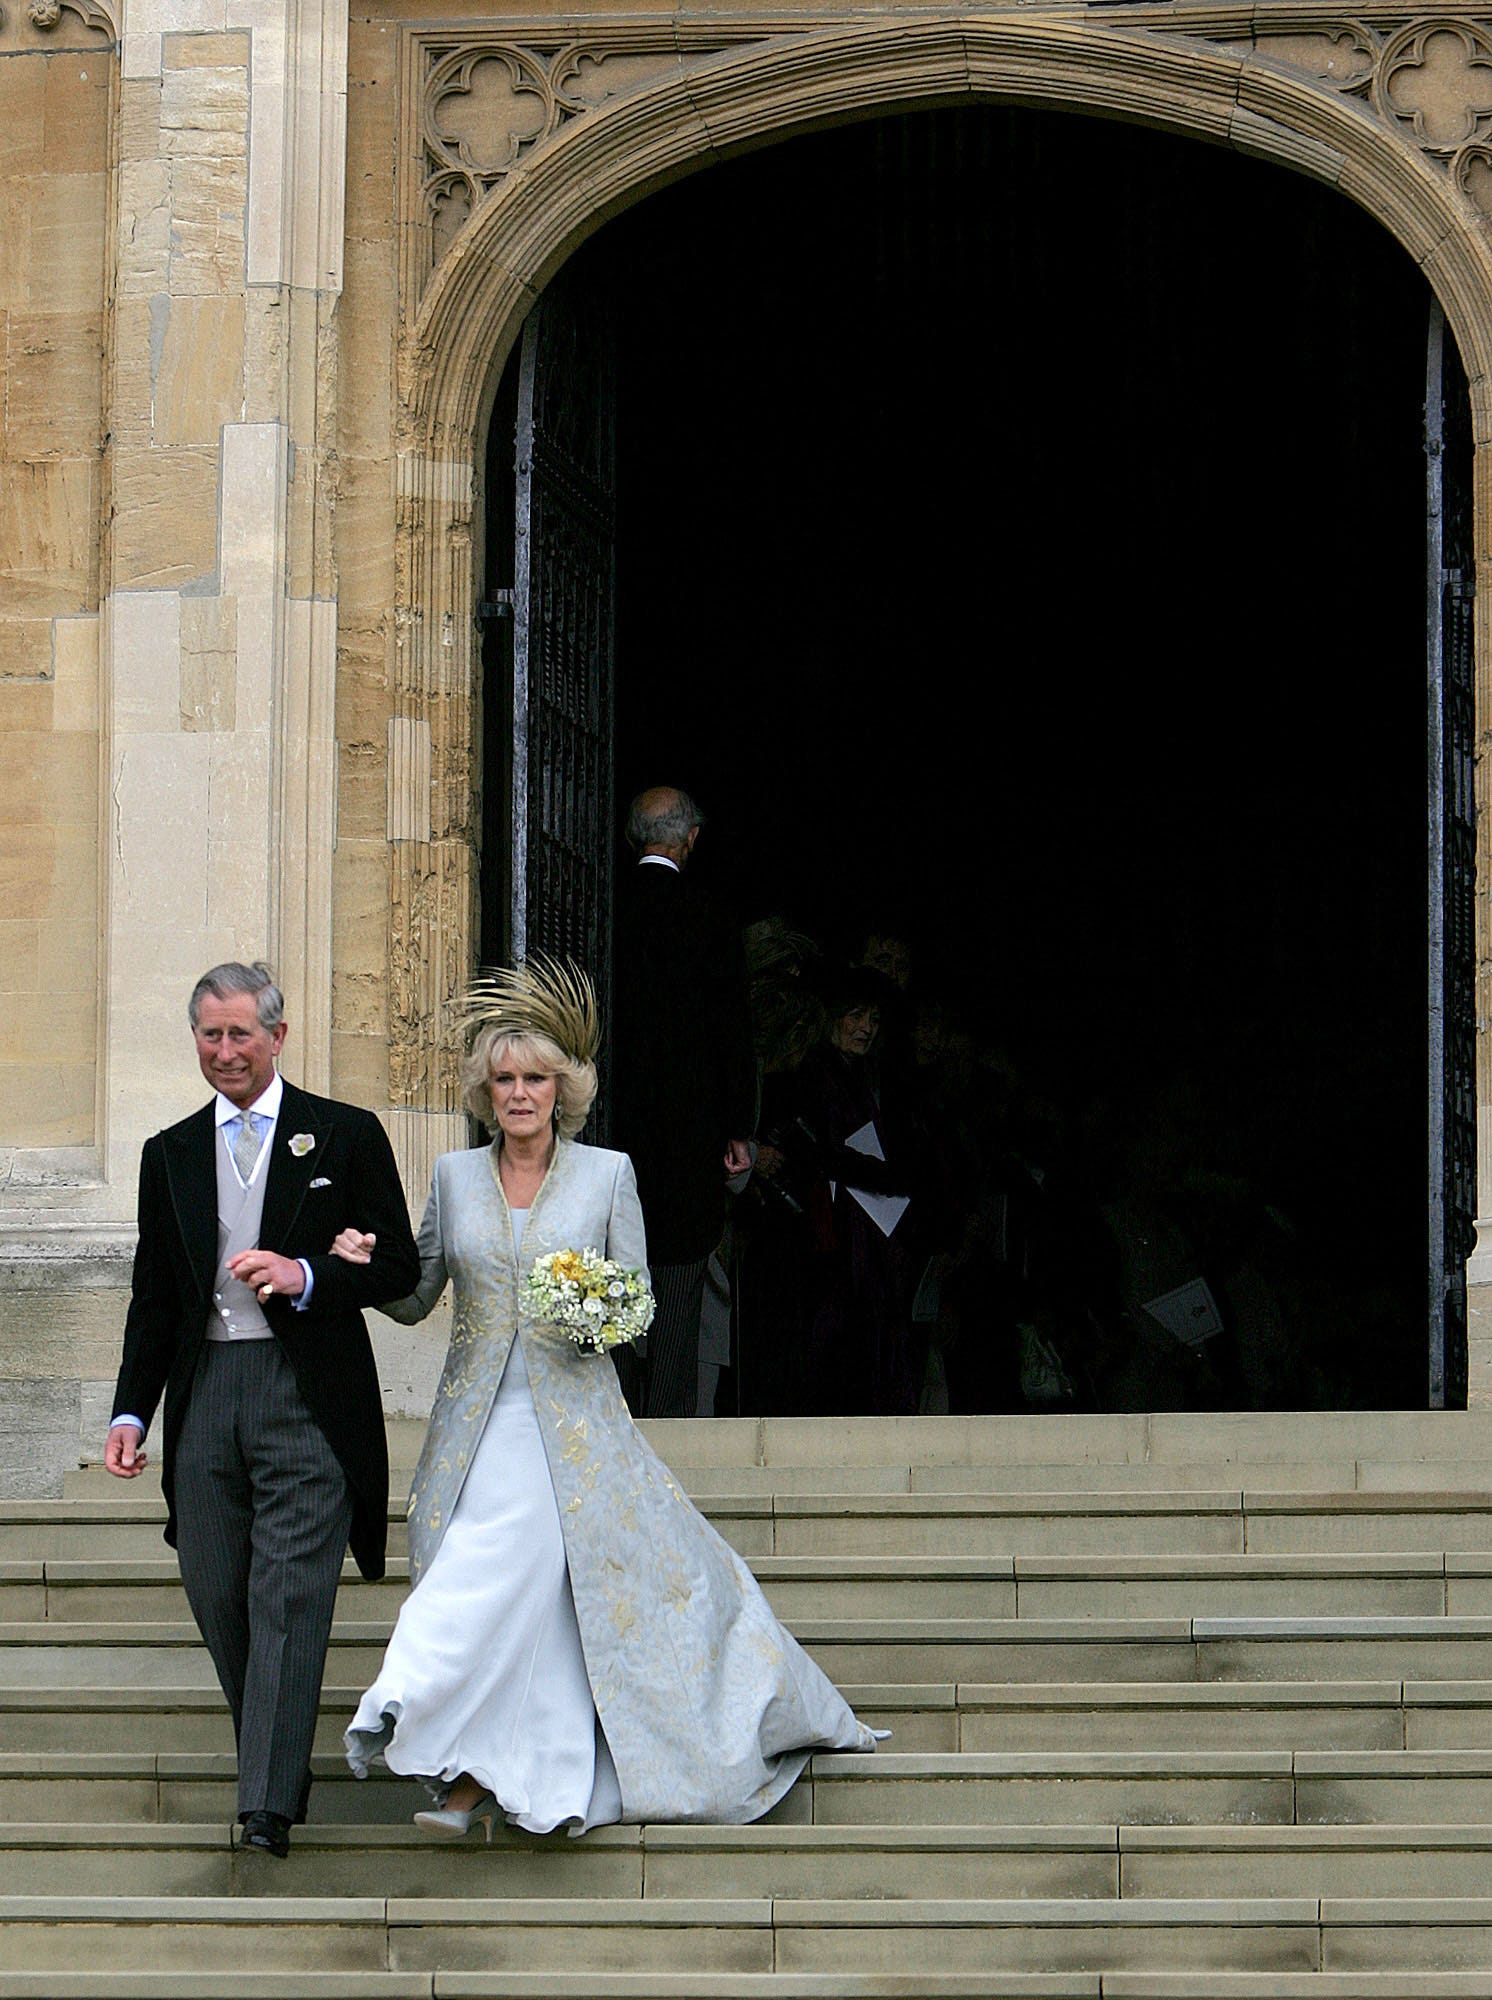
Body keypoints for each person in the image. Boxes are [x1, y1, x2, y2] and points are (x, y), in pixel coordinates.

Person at [341, 958, 877, 1836]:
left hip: (575, 1435)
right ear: (485, 1090)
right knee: (508, 1593)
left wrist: (594, 1315)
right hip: (473, 1431)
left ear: (565, 1089)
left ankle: (451, 1754)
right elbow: (417, 1295)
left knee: (500, 1584)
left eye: (536, 1079)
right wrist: (361, 1271)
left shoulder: (608, 1175)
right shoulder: (451, 1179)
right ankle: (498, 1775)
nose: (519, 1095)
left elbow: (638, 1304)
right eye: (504, 1079)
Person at [104, 961, 420, 1858]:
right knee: (216, 1588)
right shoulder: (167, 1150)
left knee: (287, 1596)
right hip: (204, 1392)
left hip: (305, 1398)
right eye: (211, 1034)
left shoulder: (345, 1134)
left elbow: (397, 1266)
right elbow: (154, 1296)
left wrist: (308, 1274)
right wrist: (132, 1412)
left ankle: (265, 1809)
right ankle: (276, 1760)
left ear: (277, 1037)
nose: (227, 1050)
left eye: (243, 1033)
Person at [610, 786, 756, 1415]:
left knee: (603, 1263)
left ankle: (611, 1405)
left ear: (632, 837)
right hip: (689, 1133)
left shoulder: (603, 905)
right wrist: (737, 1128)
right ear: (690, 838)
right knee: (678, 1275)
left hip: (607, 1121)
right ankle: (666, 1419)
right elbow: (732, 1030)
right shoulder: (710, 914)